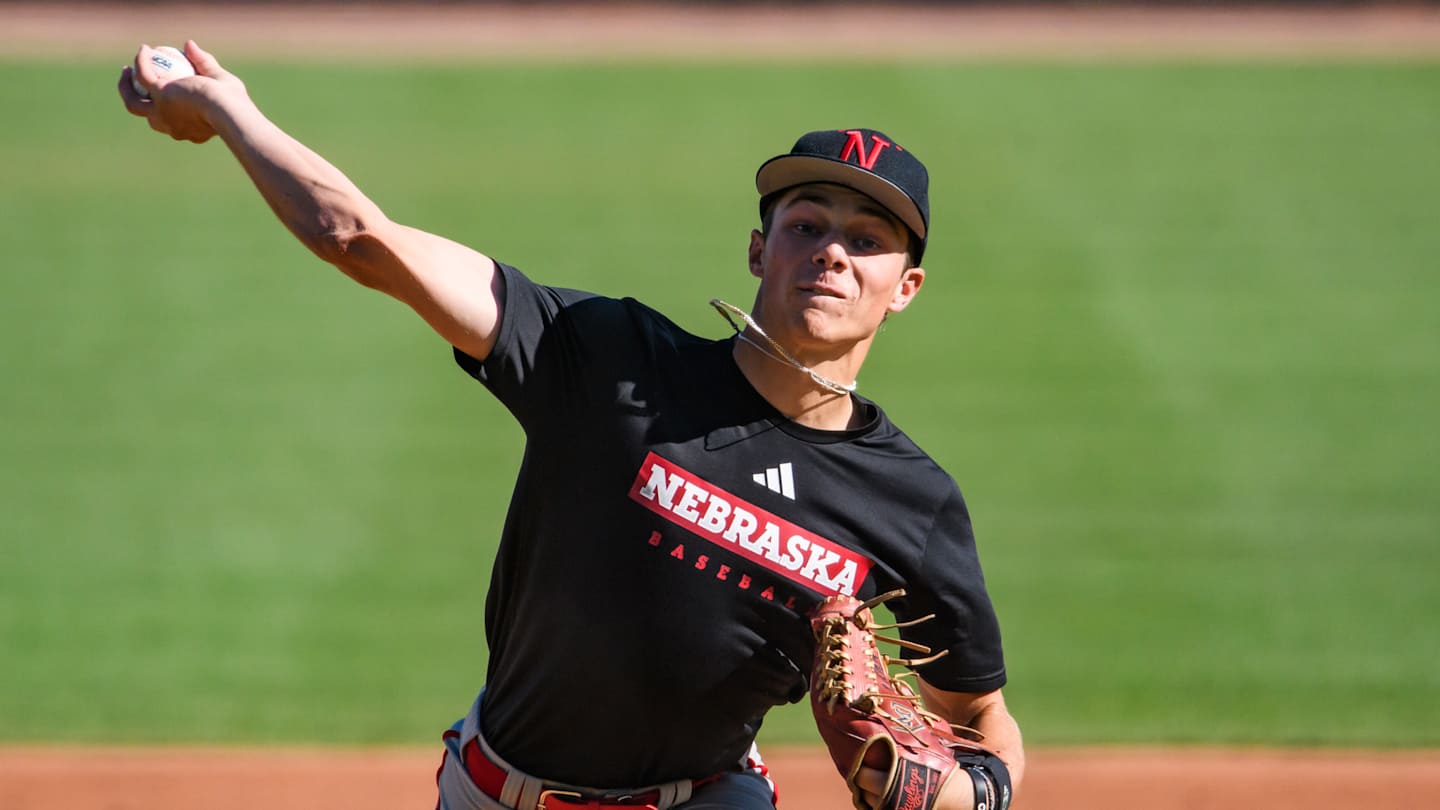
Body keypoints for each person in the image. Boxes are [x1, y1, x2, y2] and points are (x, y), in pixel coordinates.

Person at [119, 41, 1025, 810]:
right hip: (500, 789)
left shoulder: (911, 500)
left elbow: (983, 723)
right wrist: (230, 110)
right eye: (806, 222)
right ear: (759, 248)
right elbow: (361, 237)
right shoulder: (606, 357)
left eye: (868, 240)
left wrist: (965, 794)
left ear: (905, 287)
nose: (832, 249)